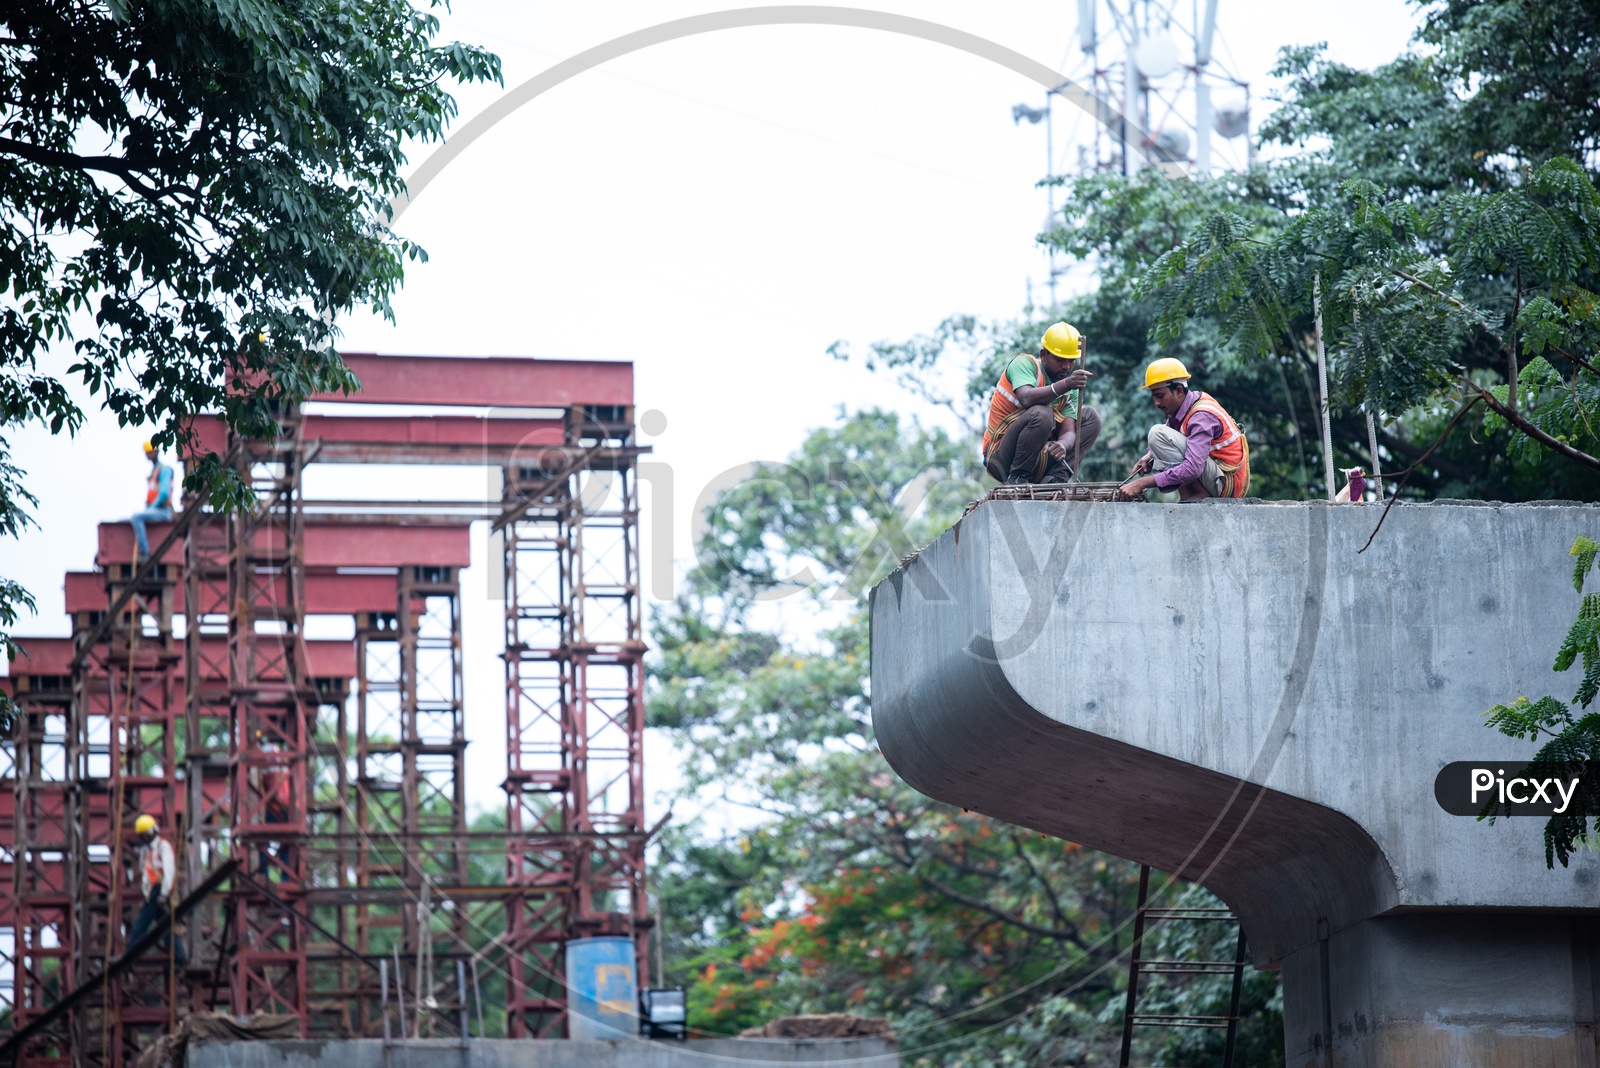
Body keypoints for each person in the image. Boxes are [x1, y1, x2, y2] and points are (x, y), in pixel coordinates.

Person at [982, 322, 1101, 485]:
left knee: (1090, 417)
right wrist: (1066, 384)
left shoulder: (1069, 387)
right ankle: (1018, 479)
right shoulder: (1024, 365)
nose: (1066, 366)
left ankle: (1055, 479)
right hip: (1002, 459)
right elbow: (1026, 398)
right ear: (1043, 354)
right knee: (1042, 413)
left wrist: (1063, 445)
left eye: (1071, 361)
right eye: (1060, 360)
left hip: (1040, 461)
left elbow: (1068, 431)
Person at [1117, 359, 1250, 501]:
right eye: (1154, 397)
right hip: (1216, 475)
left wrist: (1141, 483)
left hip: (1225, 485)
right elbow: (1168, 442)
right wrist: (1149, 457)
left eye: (1160, 396)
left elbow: (1192, 469)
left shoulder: (1201, 416)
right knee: (1157, 440)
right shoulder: (1182, 409)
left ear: (1179, 391)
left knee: (1157, 433)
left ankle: (1199, 495)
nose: (1156, 403)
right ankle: (1189, 497)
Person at [125, 813, 186, 963]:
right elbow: (146, 871)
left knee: (141, 922)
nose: (144, 837)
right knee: (167, 928)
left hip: (159, 891)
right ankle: (180, 957)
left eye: (145, 834)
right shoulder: (146, 850)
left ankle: (130, 954)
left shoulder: (162, 846)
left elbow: (169, 871)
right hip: (153, 892)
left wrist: (164, 894)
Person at [129, 440, 175, 562]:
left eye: (150, 452)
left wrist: (152, 507)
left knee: (136, 517)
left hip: (163, 511)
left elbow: (164, 493)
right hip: (156, 509)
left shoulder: (164, 470)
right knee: (130, 519)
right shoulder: (154, 472)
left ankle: (145, 553)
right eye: (147, 453)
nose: (148, 455)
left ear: (156, 452)